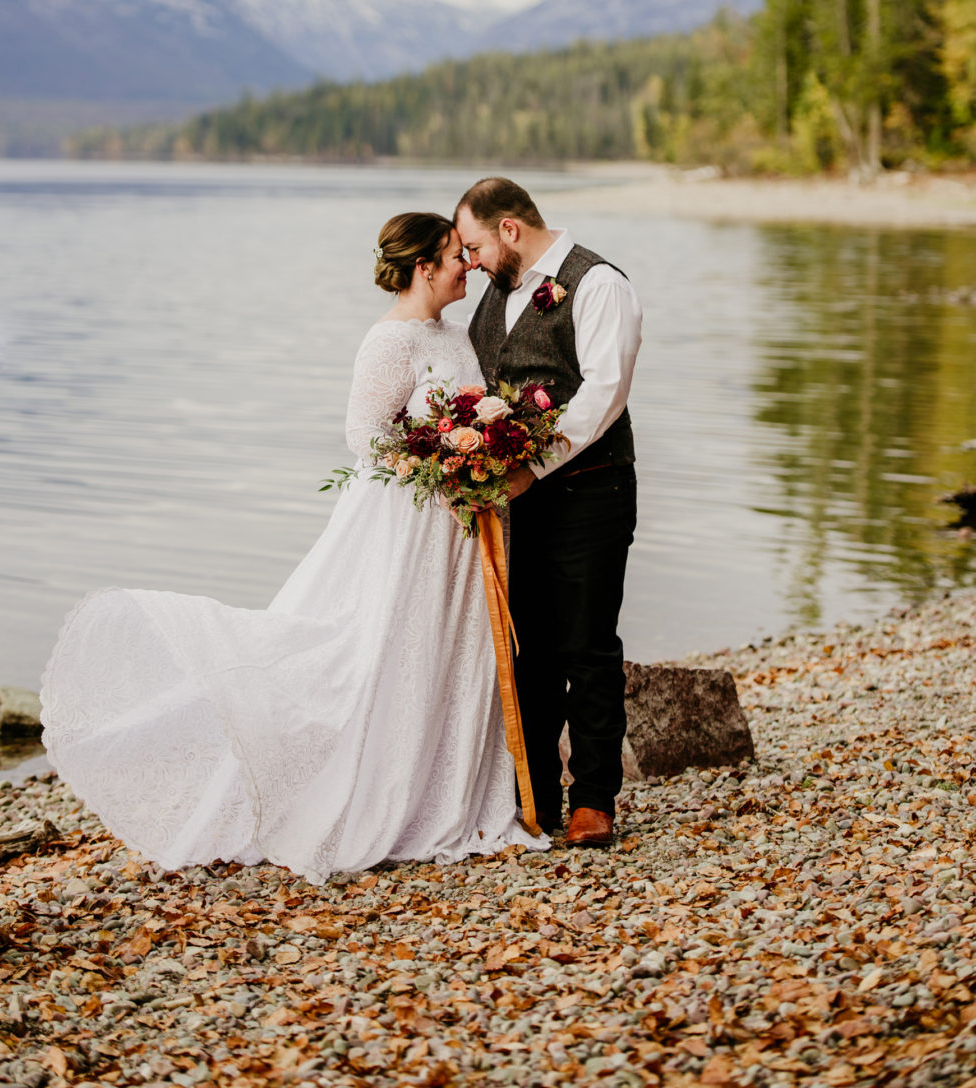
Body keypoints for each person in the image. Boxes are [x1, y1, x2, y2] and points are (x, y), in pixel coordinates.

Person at [41, 212, 546, 884]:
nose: (469, 266)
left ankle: (451, 793)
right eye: (458, 255)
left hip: (462, 519)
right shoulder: (387, 342)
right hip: (414, 518)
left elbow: (463, 410)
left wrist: (484, 446)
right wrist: (440, 461)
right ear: (425, 266)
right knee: (389, 648)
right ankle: (373, 795)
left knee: (452, 649)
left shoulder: (454, 334)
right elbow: (365, 438)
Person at [454, 178, 641, 849]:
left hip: (590, 491)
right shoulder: (495, 295)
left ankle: (594, 801)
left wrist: (529, 467)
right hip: (515, 498)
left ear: (509, 229)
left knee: (586, 645)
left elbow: (603, 395)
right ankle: (532, 796)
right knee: (525, 647)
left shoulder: (597, 285)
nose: (470, 261)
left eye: (474, 244)